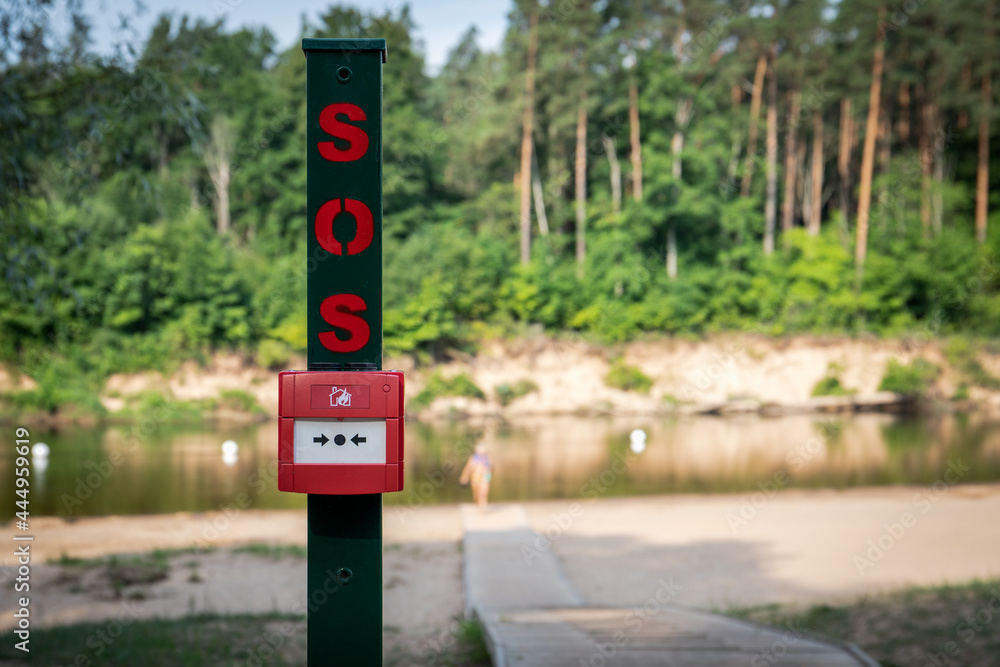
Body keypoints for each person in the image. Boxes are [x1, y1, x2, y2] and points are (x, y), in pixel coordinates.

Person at [460, 443, 493, 512]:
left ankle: (482, 508)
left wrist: (487, 468)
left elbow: (492, 468)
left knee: (483, 494)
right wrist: (464, 476)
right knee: (477, 495)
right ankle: (479, 504)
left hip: (485, 477)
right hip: (475, 477)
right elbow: (468, 468)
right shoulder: (473, 458)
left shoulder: (488, 457)